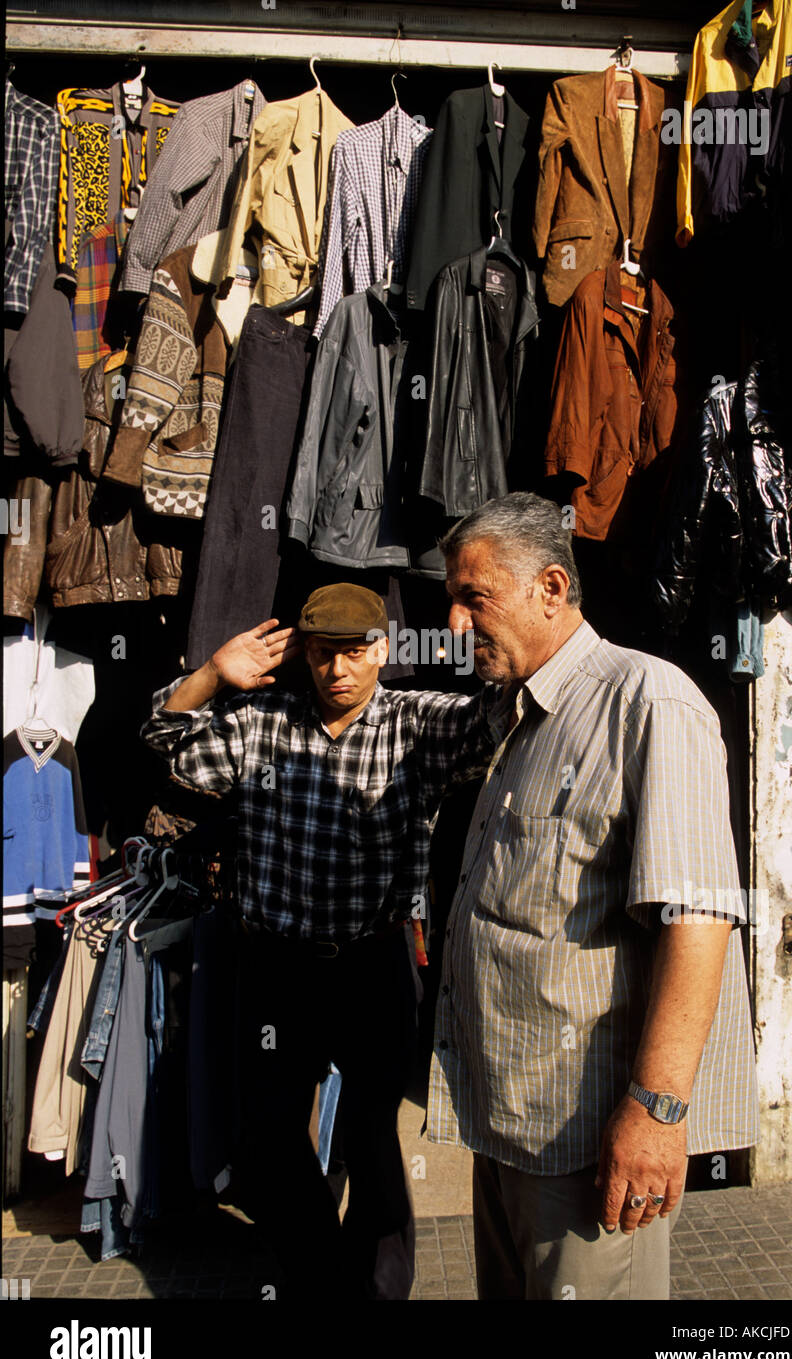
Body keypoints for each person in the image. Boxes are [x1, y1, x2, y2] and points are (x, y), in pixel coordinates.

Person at [424, 492, 760, 1301]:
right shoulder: (518, 715)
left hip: (594, 1146)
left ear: (550, 587)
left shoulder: (649, 701)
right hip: (511, 1121)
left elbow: (698, 920)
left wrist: (656, 1115)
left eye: (477, 598)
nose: (457, 625)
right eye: (453, 602)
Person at [140, 582, 499, 1300]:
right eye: (323, 653)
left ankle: (378, 1287)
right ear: (304, 653)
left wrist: (489, 625)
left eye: (355, 652)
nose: (338, 670)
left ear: (383, 651)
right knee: (271, 1135)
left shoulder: (413, 724)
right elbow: (167, 743)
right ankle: (320, 1277)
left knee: (372, 1136)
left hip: (373, 963)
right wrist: (211, 674)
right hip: (276, 965)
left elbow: (500, 719)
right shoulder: (261, 721)